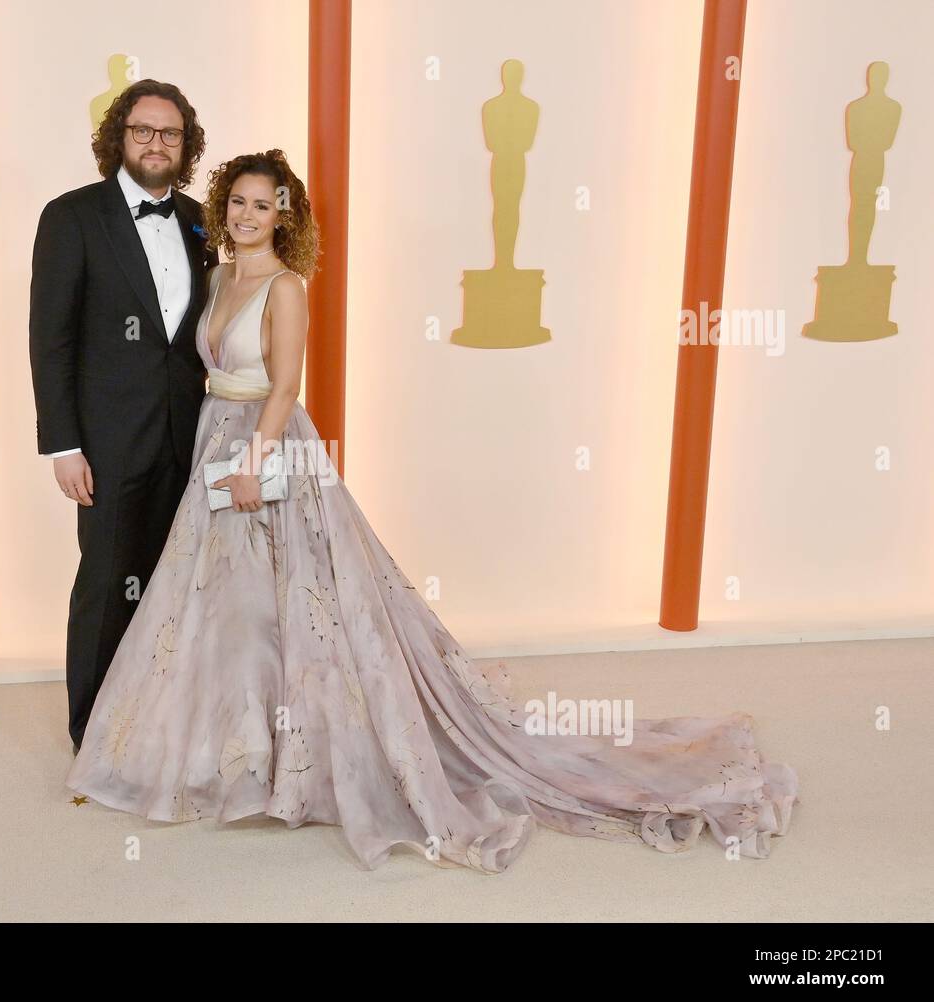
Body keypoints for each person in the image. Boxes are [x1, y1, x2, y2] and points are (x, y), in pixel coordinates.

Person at [64, 149, 798, 874]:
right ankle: (239, 753)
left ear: (282, 217)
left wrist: (254, 465)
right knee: (227, 606)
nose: (248, 215)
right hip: (213, 442)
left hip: (267, 447)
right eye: (238, 202)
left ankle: (299, 759)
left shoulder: (287, 287)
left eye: (263, 205)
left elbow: (286, 386)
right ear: (222, 206)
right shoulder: (220, 275)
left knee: (292, 600)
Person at [29, 81, 219, 752]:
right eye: (143, 130)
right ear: (119, 137)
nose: (156, 143)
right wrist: (63, 445)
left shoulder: (203, 220)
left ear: (186, 145)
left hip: (190, 434)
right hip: (107, 442)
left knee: (182, 581)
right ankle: (97, 735)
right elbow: (50, 338)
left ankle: (167, 718)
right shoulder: (72, 216)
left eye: (170, 134)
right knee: (108, 583)